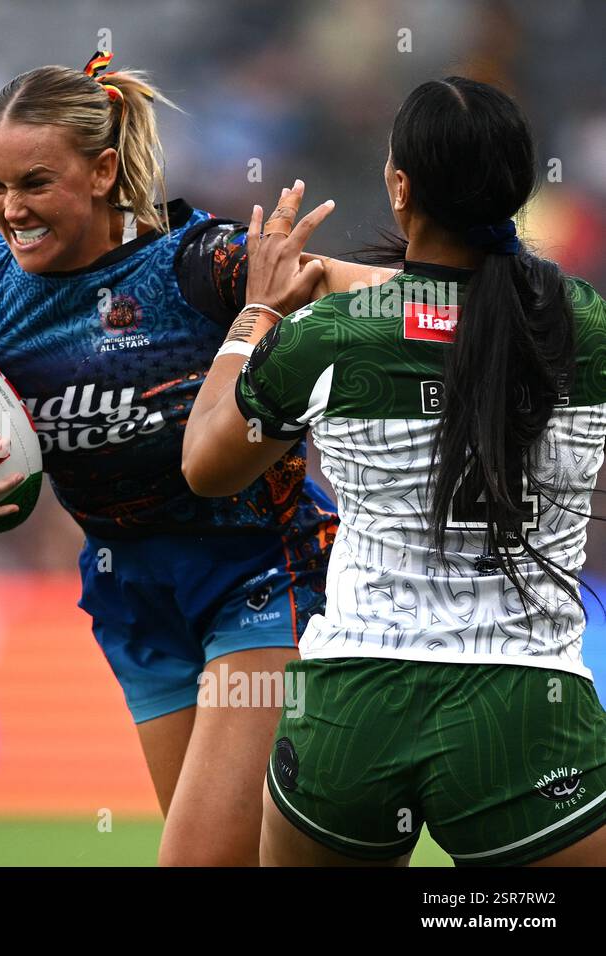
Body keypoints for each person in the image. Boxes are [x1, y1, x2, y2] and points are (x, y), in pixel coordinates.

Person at [0, 51, 389, 865]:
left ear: (100, 173)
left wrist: (493, 300)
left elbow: (353, 286)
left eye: (33, 184)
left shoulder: (195, 266)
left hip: (263, 572)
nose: (9, 209)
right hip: (131, 598)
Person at [182, 77, 606, 866]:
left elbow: (205, 465)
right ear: (519, 189)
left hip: (353, 707)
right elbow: (467, 306)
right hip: (526, 707)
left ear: (400, 186)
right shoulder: (583, 324)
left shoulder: (330, 336)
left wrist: (260, 311)